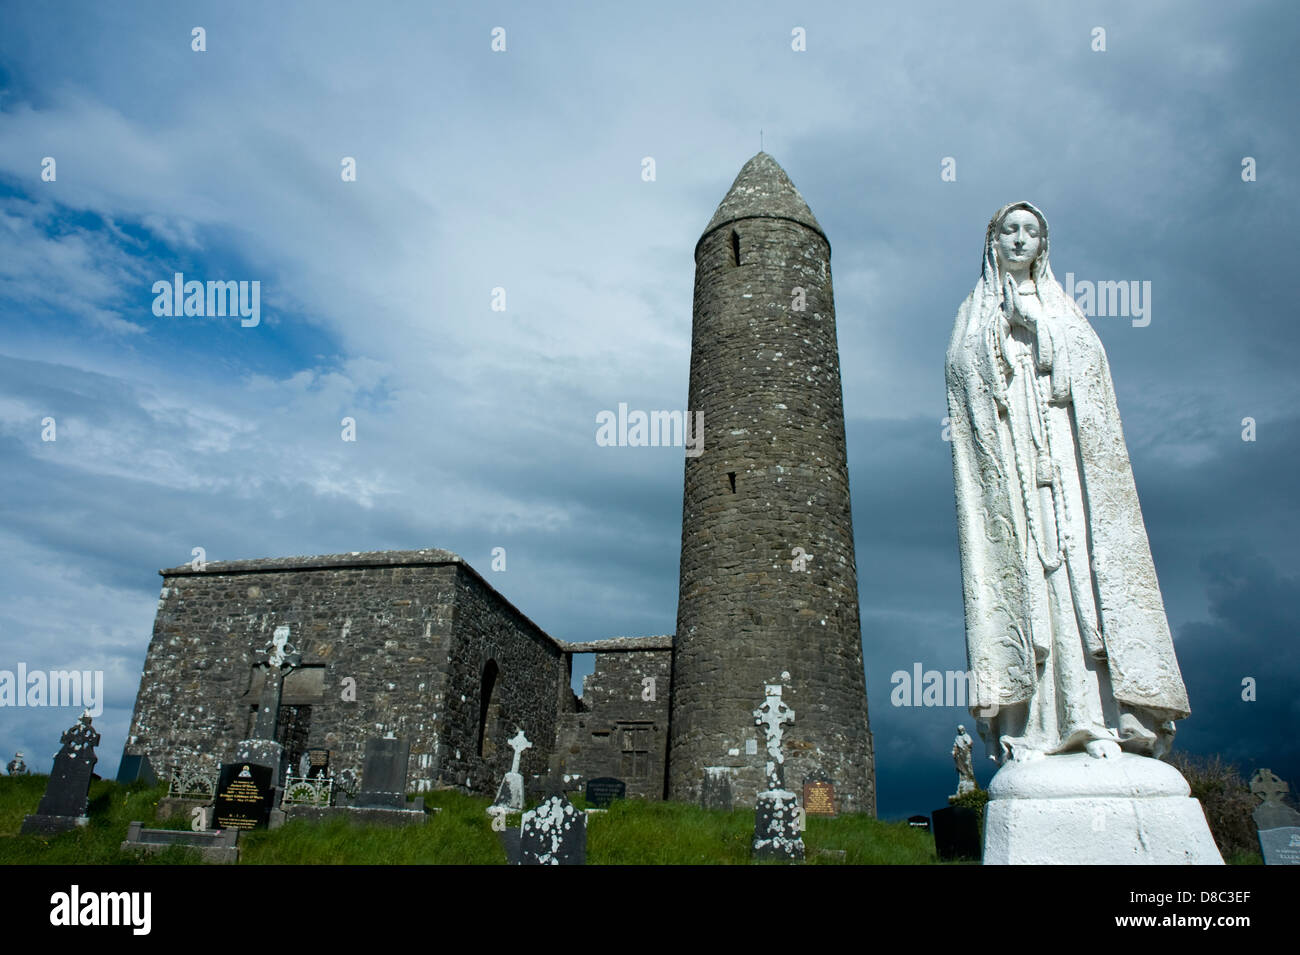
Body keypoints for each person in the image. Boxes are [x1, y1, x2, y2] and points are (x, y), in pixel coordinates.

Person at [945, 201, 1188, 764]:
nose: (1020, 239)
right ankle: (1032, 728)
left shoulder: (1062, 307)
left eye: (1031, 231)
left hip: (1068, 473)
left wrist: (1039, 330)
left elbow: (1090, 371)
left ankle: (1101, 719)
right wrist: (997, 341)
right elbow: (962, 374)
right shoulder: (974, 312)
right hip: (1013, 475)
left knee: (1083, 593)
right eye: (1010, 230)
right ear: (993, 242)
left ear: (1043, 244)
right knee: (1029, 590)